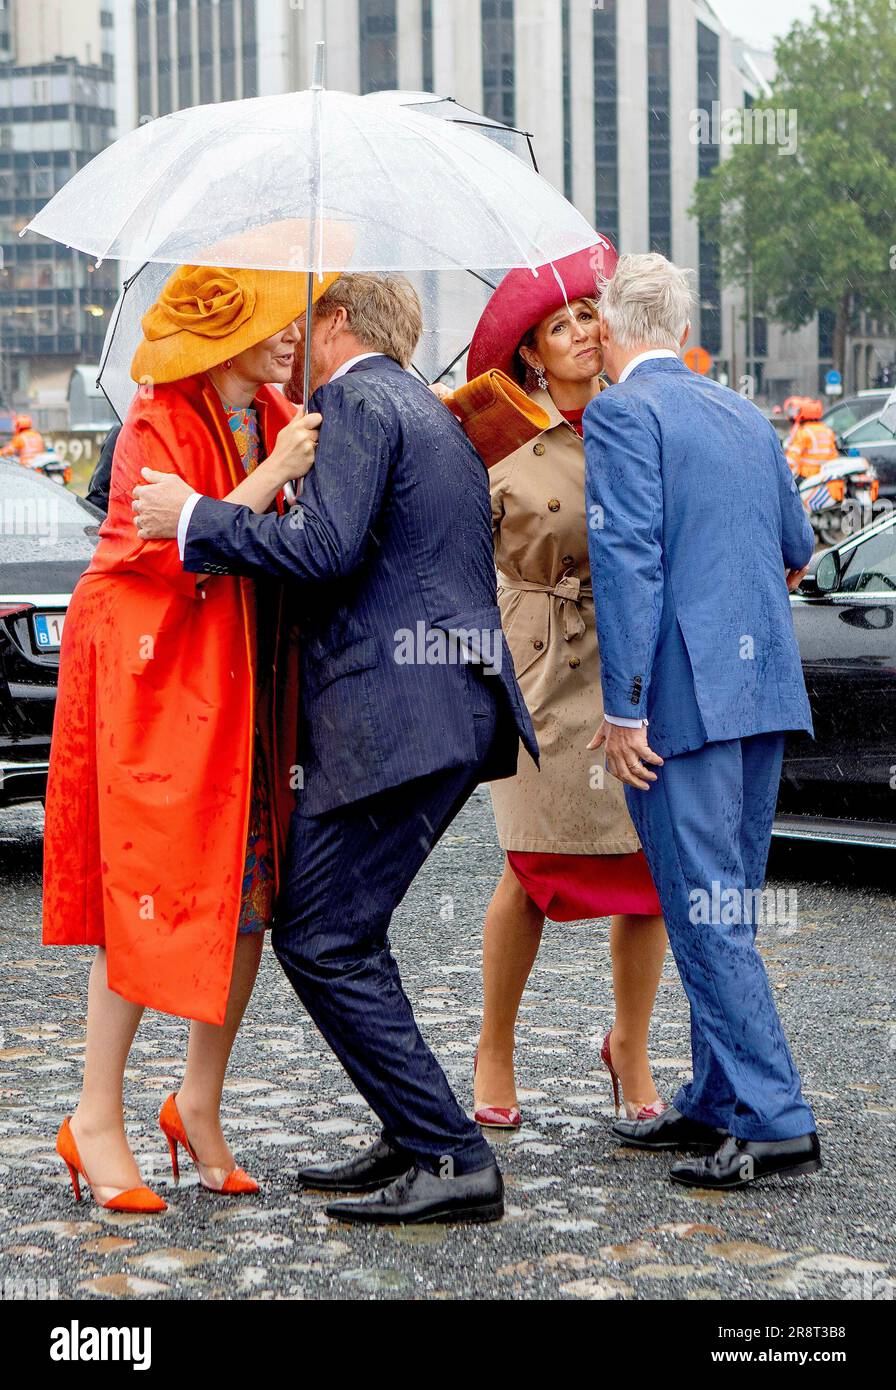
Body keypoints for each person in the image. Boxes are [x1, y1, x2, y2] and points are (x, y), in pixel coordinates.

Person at [132, 273, 539, 1227]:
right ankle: (417, 1132)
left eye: (302, 319)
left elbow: (326, 550)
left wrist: (192, 517)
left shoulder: (353, 396)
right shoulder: (424, 408)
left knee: (319, 934)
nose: (290, 337)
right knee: (343, 928)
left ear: (339, 321)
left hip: (398, 716)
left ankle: (450, 1154)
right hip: (447, 708)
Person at [43, 264, 332, 1212]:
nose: (291, 335)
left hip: (242, 686)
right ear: (221, 333)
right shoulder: (155, 421)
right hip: (157, 682)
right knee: (144, 887)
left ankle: (196, 1102)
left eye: (295, 320)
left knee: (250, 894)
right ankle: (94, 1117)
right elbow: (162, 552)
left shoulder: (279, 409)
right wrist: (275, 476)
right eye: (271, 320)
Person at [584, 252, 821, 1190]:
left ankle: (771, 1115)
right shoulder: (743, 414)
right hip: (762, 692)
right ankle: (722, 1099)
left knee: (705, 907)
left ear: (611, 328)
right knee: (727, 901)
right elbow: (797, 547)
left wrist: (622, 707)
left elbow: (627, 563)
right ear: (680, 328)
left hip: (680, 700)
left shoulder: (621, 412)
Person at [459, 244, 667, 1131]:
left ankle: (631, 1045)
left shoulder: (639, 415)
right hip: (540, 666)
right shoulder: (494, 436)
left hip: (633, 665)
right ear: (531, 354)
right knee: (530, 865)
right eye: (562, 323)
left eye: (591, 313)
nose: (584, 330)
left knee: (647, 869)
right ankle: (494, 1047)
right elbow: (457, 556)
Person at [784, 398, 840, 478]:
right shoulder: (828, 431)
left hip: (807, 476)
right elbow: (834, 455)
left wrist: (783, 472)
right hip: (825, 476)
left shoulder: (803, 432)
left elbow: (792, 459)